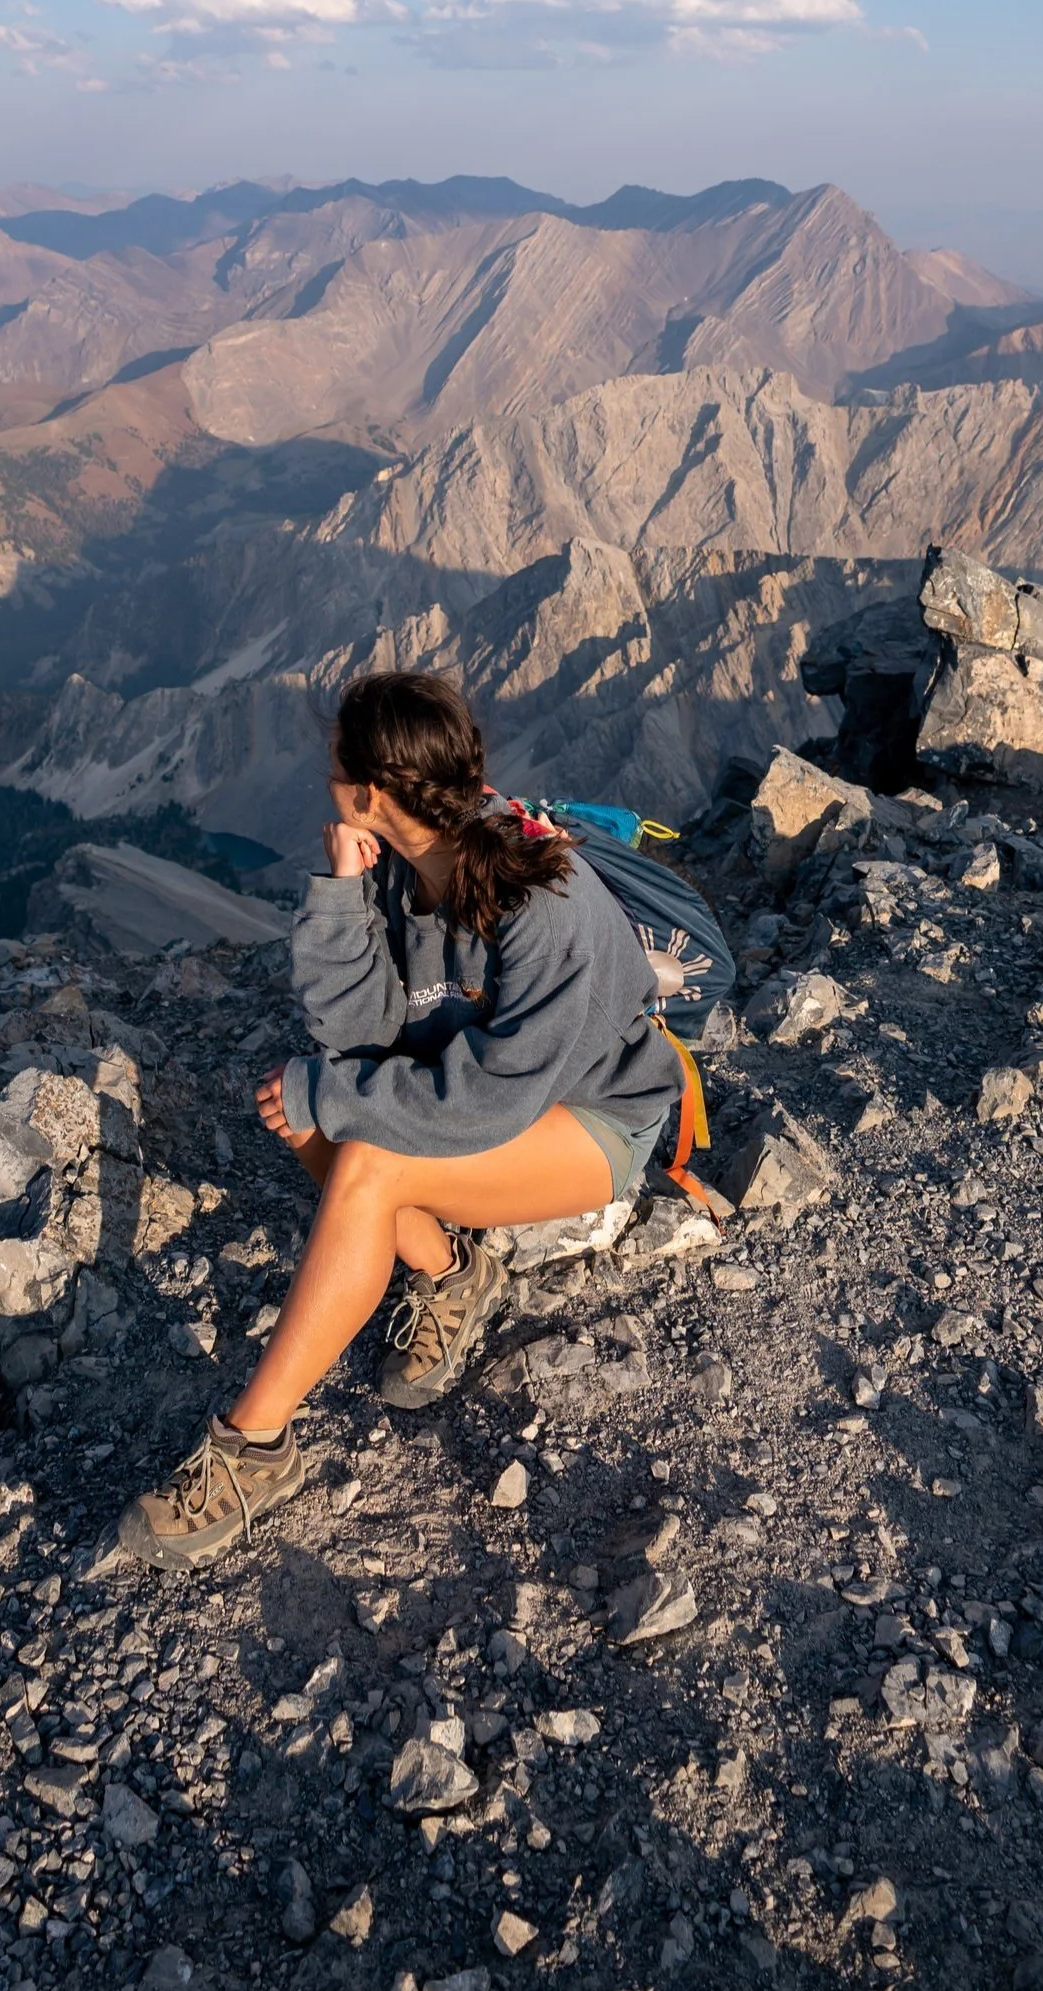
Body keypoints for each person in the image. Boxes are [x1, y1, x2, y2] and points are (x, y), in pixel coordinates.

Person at [120, 667, 683, 1566]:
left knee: (361, 1150)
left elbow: (495, 1098)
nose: (324, 777)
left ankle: (253, 1449)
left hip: (593, 1117)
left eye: (337, 766)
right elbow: (362, 1036)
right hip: (498, 1103)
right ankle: (451, 1272)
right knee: (313, 1113)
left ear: (372, 792)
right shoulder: (403, 869)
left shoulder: (543, 901)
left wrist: (338, 1096)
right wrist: (343, 892)